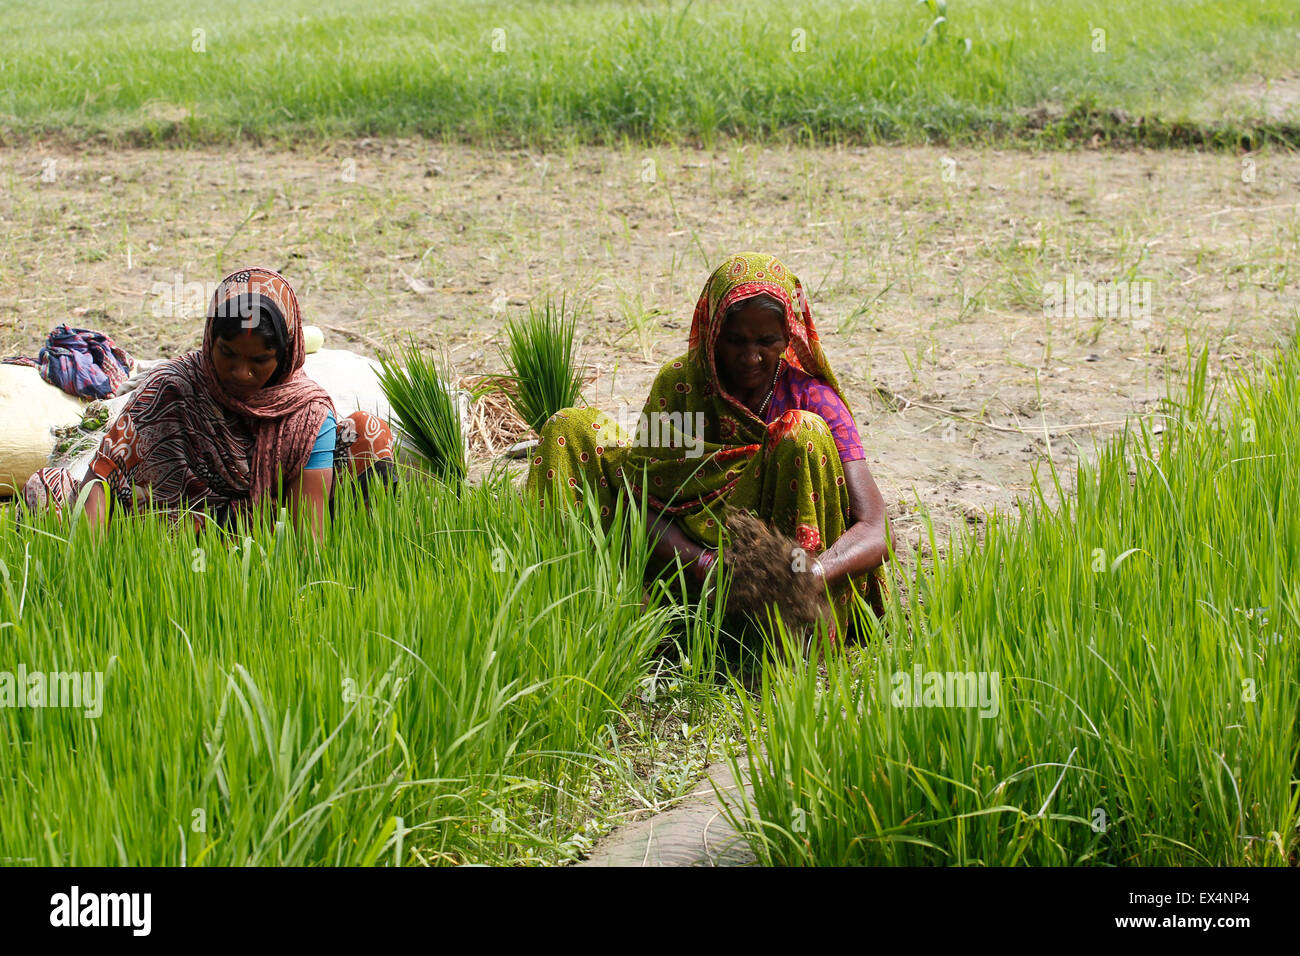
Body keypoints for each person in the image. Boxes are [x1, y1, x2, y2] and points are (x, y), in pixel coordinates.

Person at [526, 252, 893, 639]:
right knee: (570, 427)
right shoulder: (681, 386)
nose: (751, 357)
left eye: (767, 341)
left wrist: (809, 574)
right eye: (735, 341)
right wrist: (704, 564)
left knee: (803, 433)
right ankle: (580, 610)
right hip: (683, 566)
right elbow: (640, 499)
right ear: (712, 329)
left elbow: (877, 529)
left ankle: (781, 638)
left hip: (776, 584)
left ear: (788, 336)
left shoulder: (813, 401)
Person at [22, 268, 395, 538]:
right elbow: (102, 477)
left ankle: (367, 553)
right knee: (47, 489)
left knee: (368, 432)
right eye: (228, 354)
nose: (241, 373)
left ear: (285, 354)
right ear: (208, 341)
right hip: (168, 534)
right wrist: (91, 563)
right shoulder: (171, 388)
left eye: (259, 361)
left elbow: (306, 536)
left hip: (261, 539)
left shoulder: (306, 416)